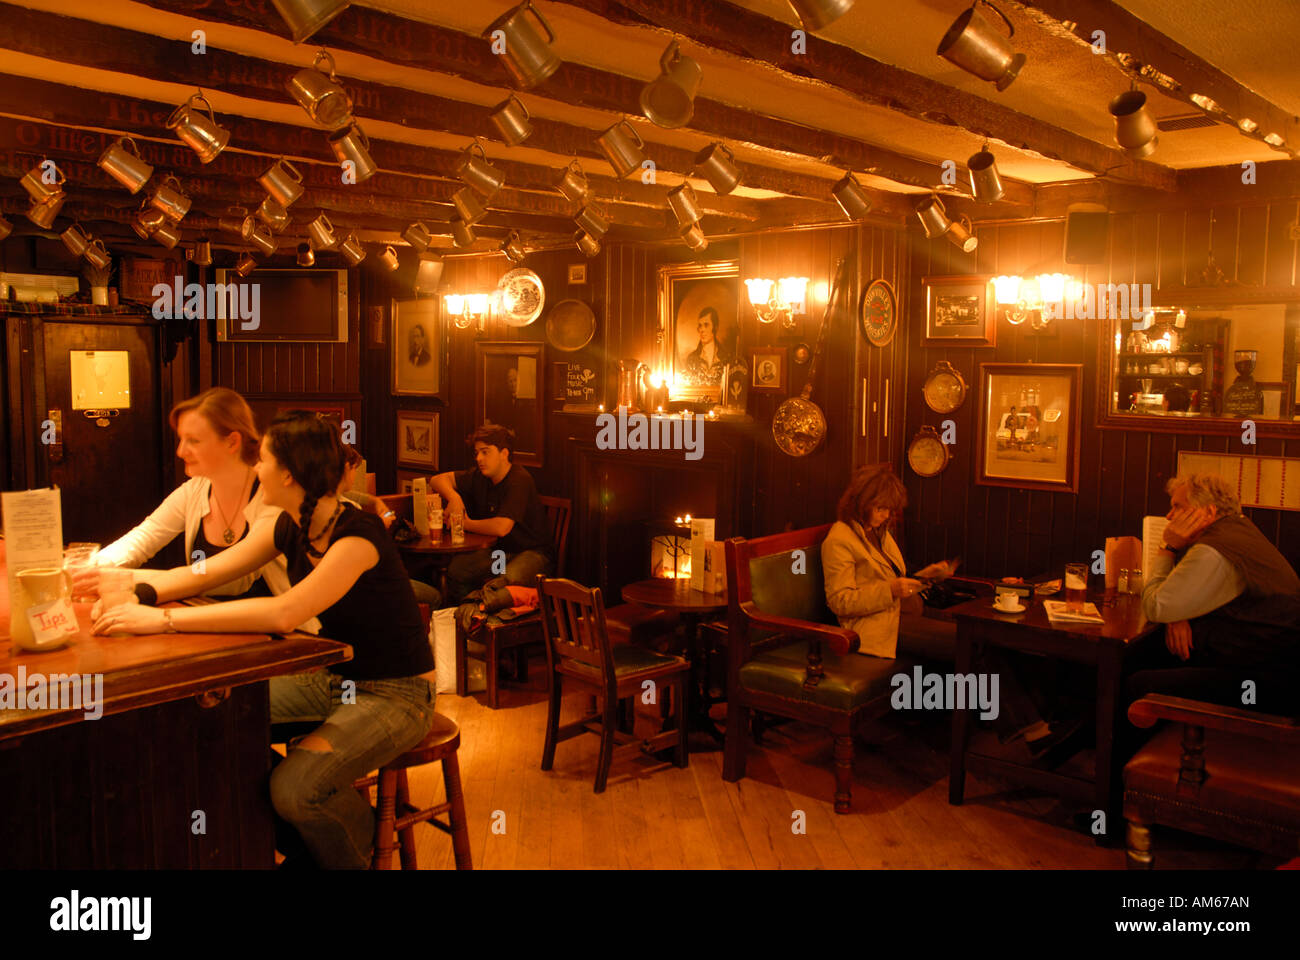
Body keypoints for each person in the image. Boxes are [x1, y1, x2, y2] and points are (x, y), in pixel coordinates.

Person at [90, 411, 436, 869]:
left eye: (265, 460)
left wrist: (163, 623)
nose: (256, 469)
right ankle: (318, 844)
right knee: (204, 727)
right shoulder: (288, 524)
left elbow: (285, 611)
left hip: (398, 693)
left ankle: (358, 846)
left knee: (294, 789)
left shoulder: (358, 535)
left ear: (289, 473)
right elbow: (204, 573)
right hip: (331, 678)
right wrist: (135, 590)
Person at [822, 464, 1071, 752]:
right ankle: (1032, 732)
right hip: (874, 626)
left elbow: (893, 577)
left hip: (906, 612)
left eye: (889, 510)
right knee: (971, 642)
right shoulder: (839, 540)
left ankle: (1029, 720)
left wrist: (925, 576)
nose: (886, 516)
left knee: (987, 633)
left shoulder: (877, 532)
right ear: (859, 502)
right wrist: (889, 590)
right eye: (880, 509)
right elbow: (840, 602)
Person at [85, 388, 307, 622]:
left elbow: (225, 579)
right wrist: (94, 567)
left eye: (193, 441)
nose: (181, 451)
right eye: (181, 439)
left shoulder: (272, 496)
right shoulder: (194, 491)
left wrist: (118, 580)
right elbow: (143, 538)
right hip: (207, 622)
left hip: (276, 632)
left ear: (232, 442)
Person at [1129, 472, 1300, 714]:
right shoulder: (1237, 530)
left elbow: (1156, 607)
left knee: (1141, 683)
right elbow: (1180, 596)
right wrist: (1179, 613)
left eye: (1177, 507)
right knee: (1148, 654)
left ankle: (1116, 751)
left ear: (1208, 513)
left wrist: (1166, 548)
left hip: (1264, 679)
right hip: (1258, 659)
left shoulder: (1214, 550)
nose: (1168, 516)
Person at [429, 424, 553, 605]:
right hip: (501, 554)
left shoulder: (519, 480)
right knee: (458, 570)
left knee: (504, 581)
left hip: (532, 553)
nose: (479, 458)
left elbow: (502, 527)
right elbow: (437, 479)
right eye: (477, 452)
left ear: (504, 454)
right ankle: (465, 616)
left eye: (485, 452)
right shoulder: (480, 476)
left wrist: (463, 523)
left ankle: (484, 621)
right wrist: (454, 498)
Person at [681, 306, 730, 386]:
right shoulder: (691, 359)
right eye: (700, 326)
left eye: (706, 325)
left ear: (715, 327)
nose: (702, 330)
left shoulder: (726, 357)